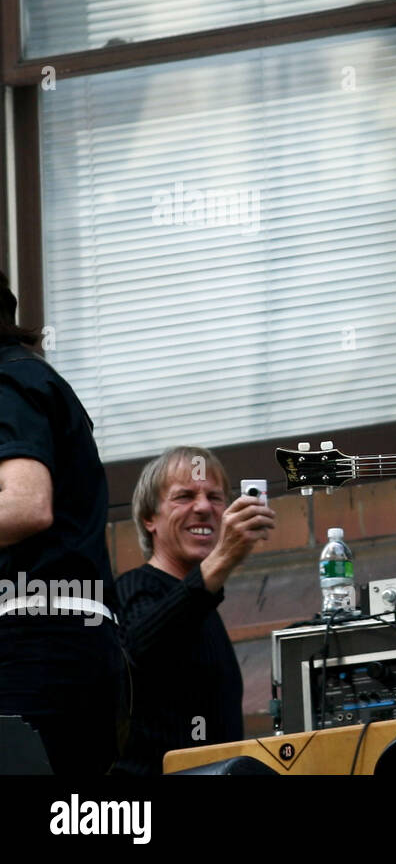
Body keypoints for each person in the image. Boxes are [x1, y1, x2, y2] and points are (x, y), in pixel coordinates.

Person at [0, 269, 126, 773]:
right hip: (70, 641)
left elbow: (26, 505)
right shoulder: (29, 378)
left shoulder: (8, 383)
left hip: (40, 643)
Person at [114, 446, 275, 774]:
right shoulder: (134, 588)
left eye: (215, 498)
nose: (203, 507)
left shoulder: (203, 606)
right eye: (184, 496)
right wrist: (223, 559)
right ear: (150, 518)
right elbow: (139, 650)